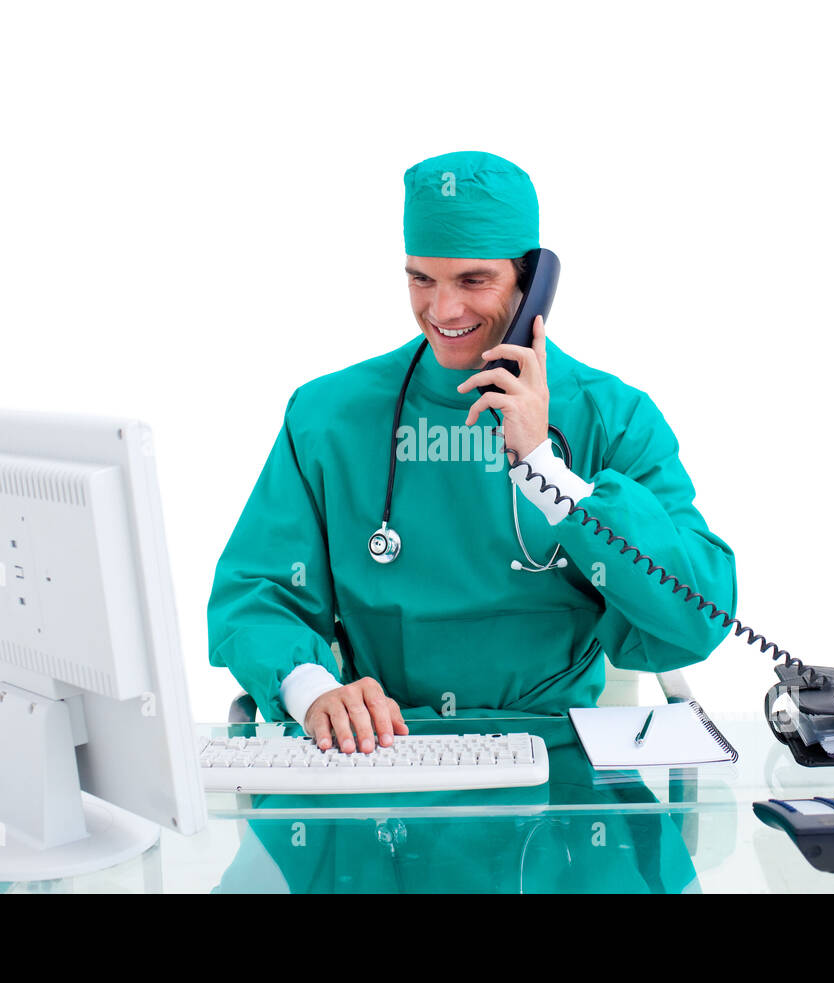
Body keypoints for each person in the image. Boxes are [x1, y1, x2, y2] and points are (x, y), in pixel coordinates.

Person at [207, 150, 736, 754]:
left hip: (559, 763)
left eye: (474, 280)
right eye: (421, 278)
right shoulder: (330, 415)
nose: (442, 311)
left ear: (532, 284)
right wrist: (310, 687)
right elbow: (255, 592)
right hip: (381, 751)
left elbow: (698, 616)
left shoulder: (610, 417)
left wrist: (546, 469)